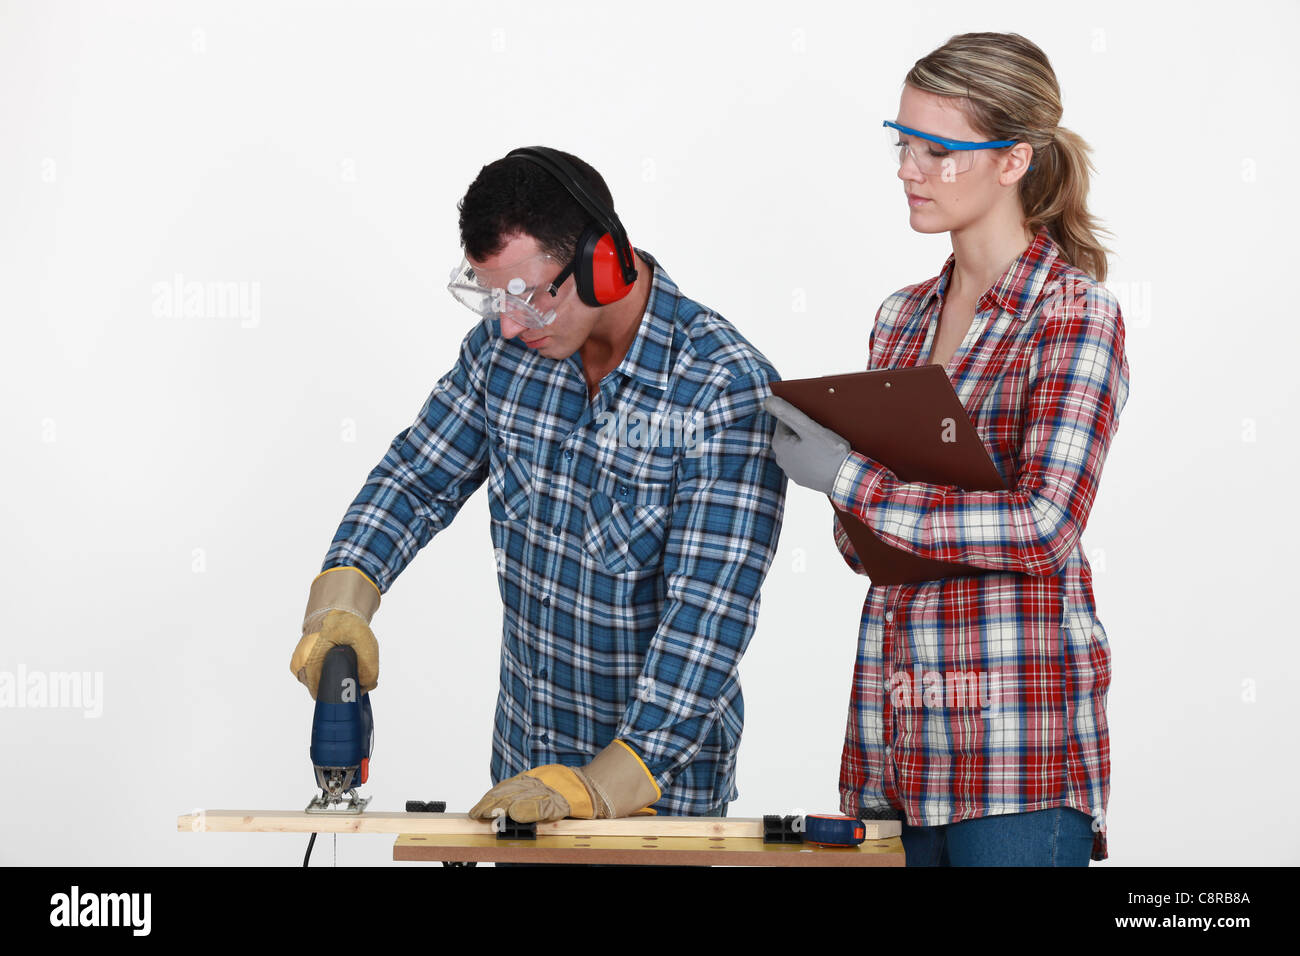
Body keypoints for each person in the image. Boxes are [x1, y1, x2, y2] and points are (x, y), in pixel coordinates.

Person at [291, 146, 788, 826]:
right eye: (490, 298)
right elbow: (416, 479)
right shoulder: (503, 356)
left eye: (526, 298)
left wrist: (600, 785)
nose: (508, 324)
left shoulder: (722, 389)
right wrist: (343, 598)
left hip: (655, 803)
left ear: (605, 263)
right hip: (522, 783)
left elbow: (707, 618)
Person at [765, 32, 1130, 866]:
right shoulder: (899, 318)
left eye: (939, 149)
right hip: (893, 747)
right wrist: (842, 494)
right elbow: (867, 552)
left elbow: (1044, 528)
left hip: (1016, 757)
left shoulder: (1073, 315)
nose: (908, 168)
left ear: (1014, 161)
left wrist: (851, 477)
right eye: (903, 143)